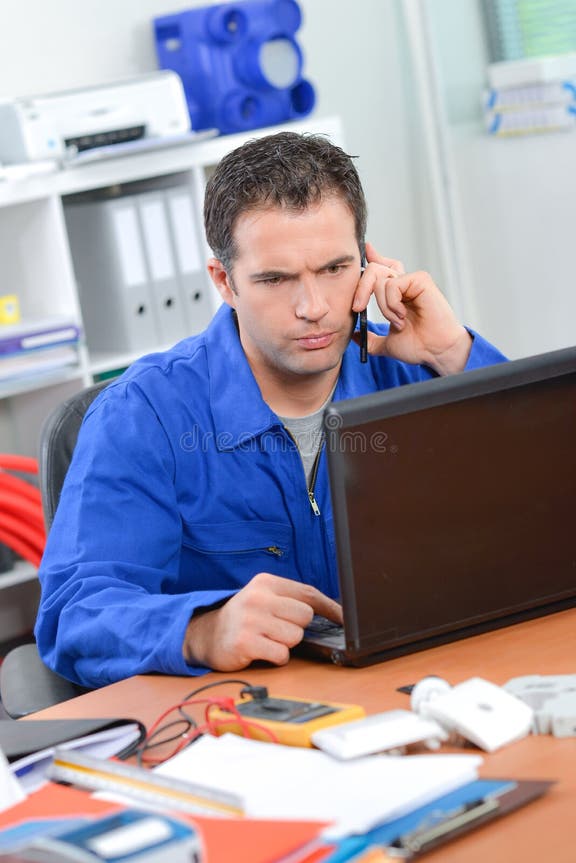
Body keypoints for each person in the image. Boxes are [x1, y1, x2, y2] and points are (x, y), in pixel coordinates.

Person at [35, 132, 506, 688]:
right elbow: (76, 611)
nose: (314, 308)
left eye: (334, 269)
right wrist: (200, 631)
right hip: (248, 725)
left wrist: (453, 355)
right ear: (224, 283)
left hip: (431, 688)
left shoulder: (416, 372)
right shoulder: (142, 416)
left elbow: (547, 509)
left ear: (369, 261)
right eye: (276, 279)